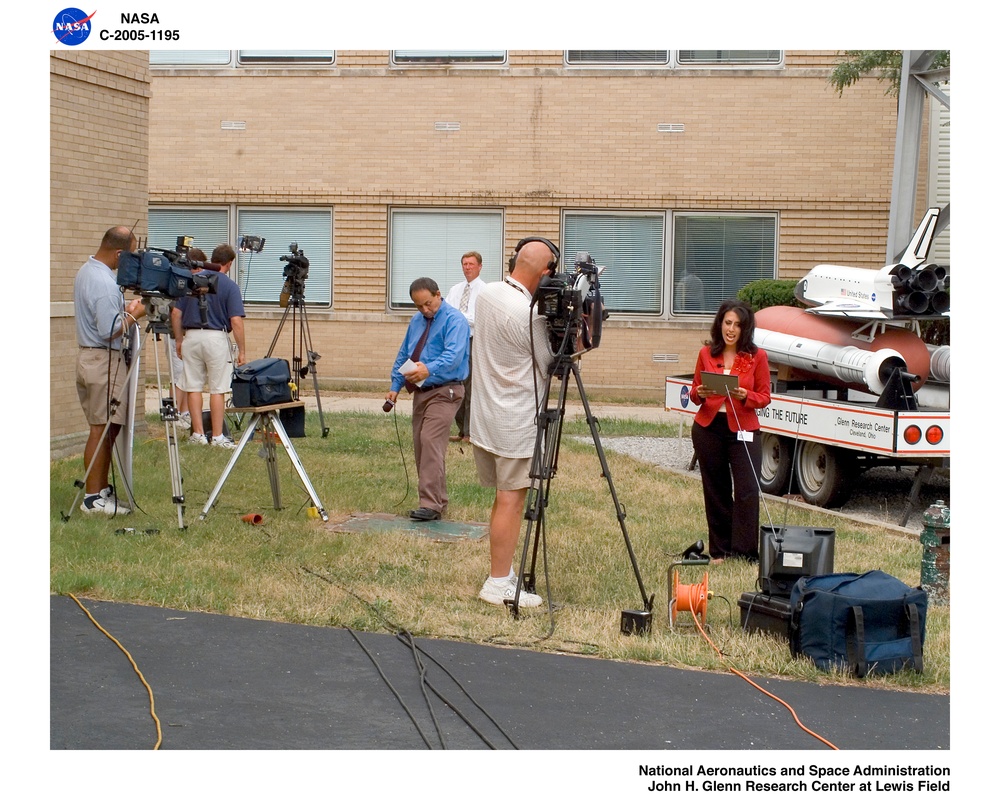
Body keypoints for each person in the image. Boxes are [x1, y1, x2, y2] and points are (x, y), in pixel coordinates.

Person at [469, 238, 559, 608]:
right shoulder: (529, 313)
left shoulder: (487, 292)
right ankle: (497, 582)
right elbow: (550, 365)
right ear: (545, 273)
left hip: (487, 415)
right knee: (511, 499)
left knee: (501, 497)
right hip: (516, 421)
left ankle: (501, 574)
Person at [688, 299, 772, 562]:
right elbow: (694, 391)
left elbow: (765, 396)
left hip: (743, 429)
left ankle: (745, 552)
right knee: (716, 489)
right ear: (720, 324)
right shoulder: (706, 354)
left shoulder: (757, 357)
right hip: (708, 428)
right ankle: (720, 551)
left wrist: (746, 395)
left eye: (737, 324)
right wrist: (699, 393)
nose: (731, 329)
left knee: (747, 490)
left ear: (745, 328)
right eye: (727, 323)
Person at [74, 225, 146, 515]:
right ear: (118, 253)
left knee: (108, 426)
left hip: (94, 359)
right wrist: (134, 314)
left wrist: (124, 310)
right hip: (102, 360)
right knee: (102, 429)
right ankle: (93, 499)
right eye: (128, 257)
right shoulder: (103, 282)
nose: (127, 263)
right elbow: (109, 329)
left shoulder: (88, 271)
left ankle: (100, 489)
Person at [385, 277, 469, 521]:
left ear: (438, 294)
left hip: (447, 390)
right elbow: (406, 354)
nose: (424, 310)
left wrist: (428, 369)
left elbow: (453, 356)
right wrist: (395, 385)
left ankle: (430, 505)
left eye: (428, 304)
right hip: (421, 391)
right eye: (419, 306)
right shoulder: (416, 321)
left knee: (430, 440)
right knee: (422, 448)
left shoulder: (455, 321)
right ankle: (438, 501)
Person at [171, 244, 247, 448]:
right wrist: (242, 350)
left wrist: (179, 340)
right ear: (229, 264)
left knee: (193, 386)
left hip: (192, 336)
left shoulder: (191, 281)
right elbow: (236, 321)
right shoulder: (230, 286)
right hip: (216, 337)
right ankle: (217, 436)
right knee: (217, 388)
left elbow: (176, 314)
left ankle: (198, 433)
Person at [444, 250, 485, 443]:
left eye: (471, 264)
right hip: (454, 342)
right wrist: (461, 320)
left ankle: (470, 432)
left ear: (479, 266)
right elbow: (447, 315)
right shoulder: (455, 290)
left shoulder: (485, 291)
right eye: (464, 264)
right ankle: (461, 430)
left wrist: (460, 319)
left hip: (472, 341)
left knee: (470, 387)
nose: (467, 267)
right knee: (454, 384)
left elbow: (479, 319)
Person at [167, 247, 206, 431]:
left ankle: (184, 413)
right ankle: (173, 415)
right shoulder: (180, 283)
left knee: (185, 375)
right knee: (177, 376)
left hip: (184, 336)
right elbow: (175, 313)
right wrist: (178, 339)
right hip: (176, 336)